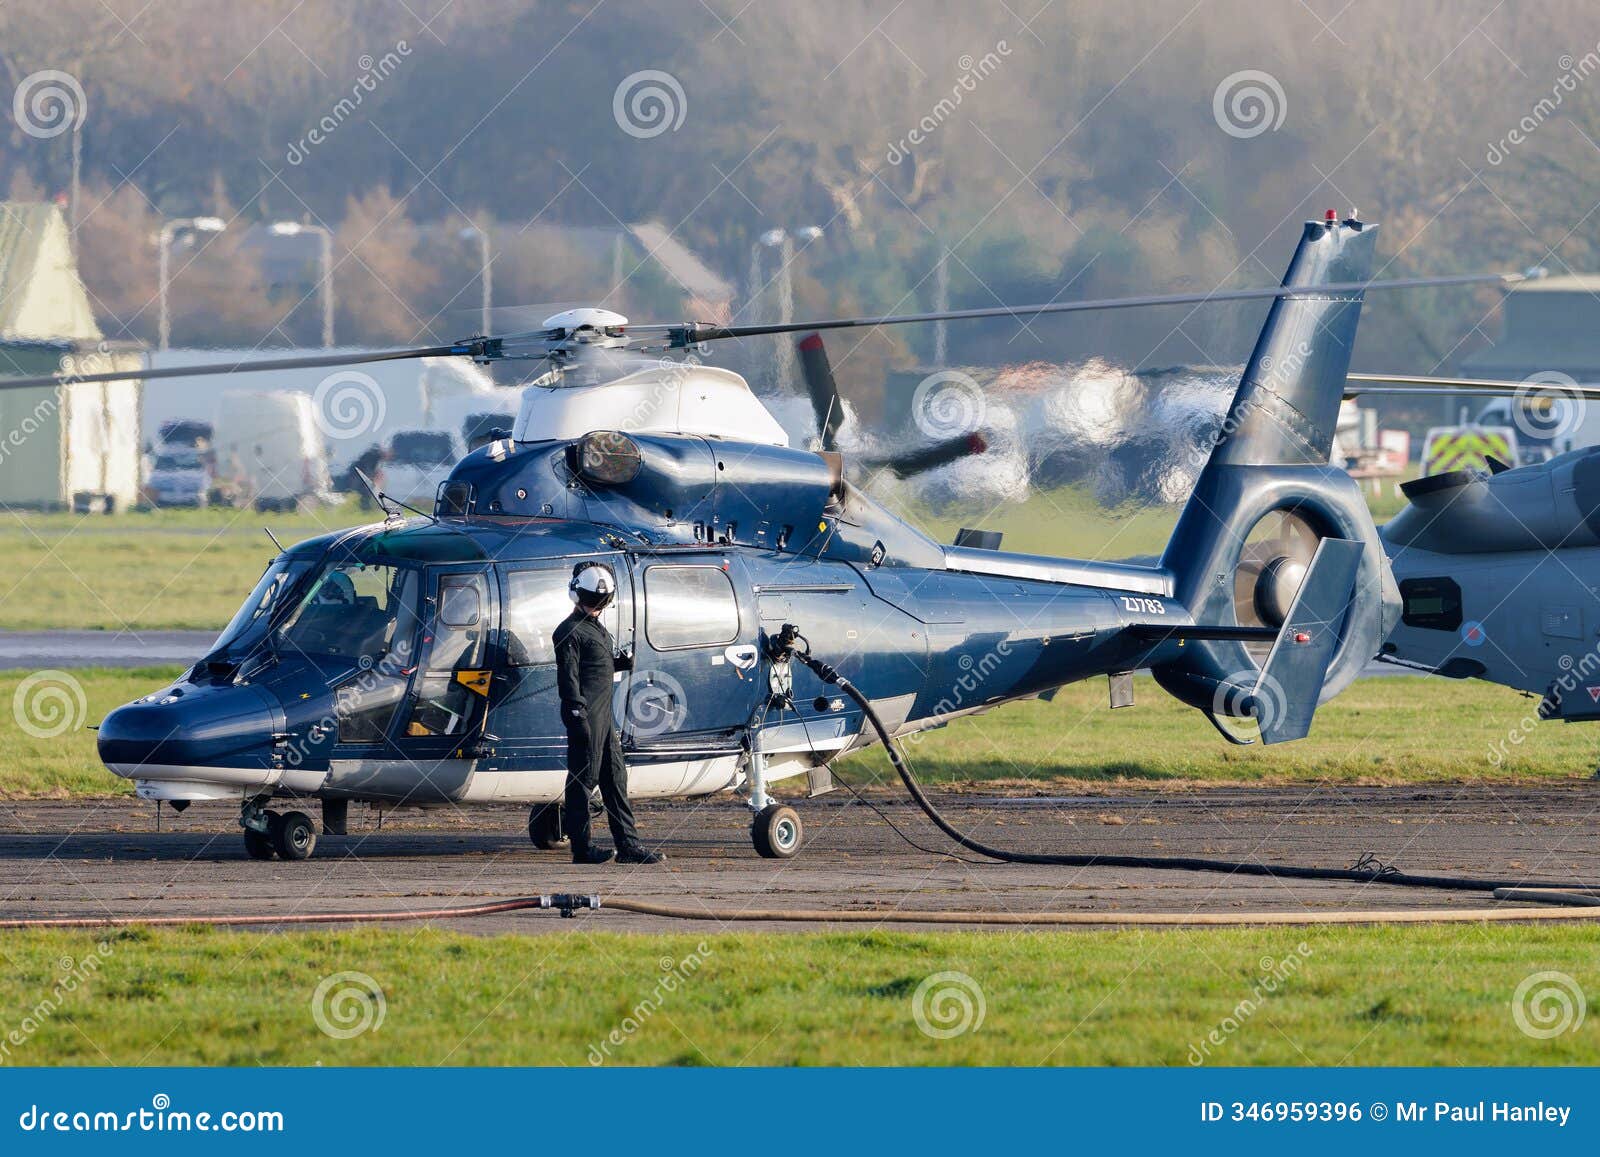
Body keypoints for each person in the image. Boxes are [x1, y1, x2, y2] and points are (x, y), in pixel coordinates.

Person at [554, 561, 664, 865]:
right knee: (582, 781)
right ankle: (582, 848)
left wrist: (619, 662)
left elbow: (592, 667)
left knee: (615, 779)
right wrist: (576, 712)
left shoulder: (594, 628)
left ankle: (629, 846)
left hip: (602, 717)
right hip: (586, 716)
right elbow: (569, 676)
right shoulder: (568, 631)